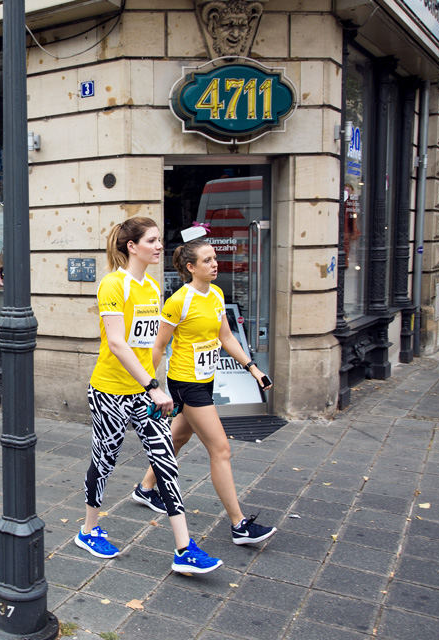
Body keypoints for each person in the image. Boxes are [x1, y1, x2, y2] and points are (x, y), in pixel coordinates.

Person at [76, 216, 222, 575]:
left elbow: (148, 345)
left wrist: (154, 384)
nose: (159, 246)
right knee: (105, 459)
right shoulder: (114, 285)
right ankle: (89, 529)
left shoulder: (154, 289)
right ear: (132, 246)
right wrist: (154, 386)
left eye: (159, 240)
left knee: (165, 462)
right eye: (152, 240)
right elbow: (117, 344)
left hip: (143, 393)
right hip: (110, 390)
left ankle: (185, 548)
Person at [133, 238, 277, 546]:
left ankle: (145, 489)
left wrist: (253, 368)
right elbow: (158, 345)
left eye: (215, 259)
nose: (215, 264)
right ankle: (239, 526)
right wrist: (148, 386)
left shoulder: (216, 294)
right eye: (208, 260)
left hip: (205, 380)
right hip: (186, 383)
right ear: (190, 267)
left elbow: (226, 336)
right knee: (221, 449)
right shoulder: (178, 302)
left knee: (178, 437)